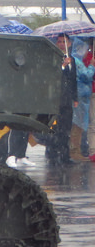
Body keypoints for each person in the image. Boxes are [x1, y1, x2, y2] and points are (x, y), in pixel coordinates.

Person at [48, 33, 78, 165]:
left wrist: (75, 97)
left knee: (66, 129)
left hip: (67, 99)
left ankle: (65, 156)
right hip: (55, 99)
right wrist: (63, 66)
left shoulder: (72, 59)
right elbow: (52, 76)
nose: (61, 44)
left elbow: (73, 80)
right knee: (55, 128)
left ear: (69, 44)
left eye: (64, 42)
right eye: (59, 42)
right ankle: (53, 155)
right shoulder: (53, 57)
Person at [71, 36, 94, 161]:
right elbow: (86, 75)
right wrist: (92, 66)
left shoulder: (75, 60)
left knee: (79, 124)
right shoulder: (77, 62)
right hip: (80, 96)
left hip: (81, 95)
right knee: (78, 125)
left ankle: (76, 150)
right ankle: (75, 151)